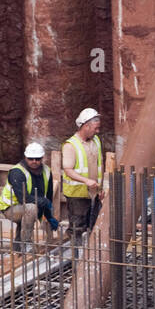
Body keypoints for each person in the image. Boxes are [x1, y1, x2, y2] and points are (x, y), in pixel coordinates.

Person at [0, 142, 58, 249]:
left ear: (42, 158)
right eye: (31, 158)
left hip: (28, 207)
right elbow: (23, 198)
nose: (34, 161)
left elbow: (48, 197)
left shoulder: (47, 171)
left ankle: (19, 247)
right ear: (25, 157)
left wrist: (49, 216)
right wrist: (44, 202)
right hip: (10, 208)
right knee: (31, 208)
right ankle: (26, 243)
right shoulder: (17, 172)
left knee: (30, 214)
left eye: (37, 159)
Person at [62, 107, 104, 250]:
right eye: (95, 128)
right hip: (77, 195)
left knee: (95, 224)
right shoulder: (71, 145)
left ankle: (92, 253)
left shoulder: (96, 141)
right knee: (77, 228)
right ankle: (77, 260)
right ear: (85, 126)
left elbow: (99, 165)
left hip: (93, 192)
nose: (97, 131)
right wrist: (86, 181)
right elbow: (68, 170)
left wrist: (100, 188)